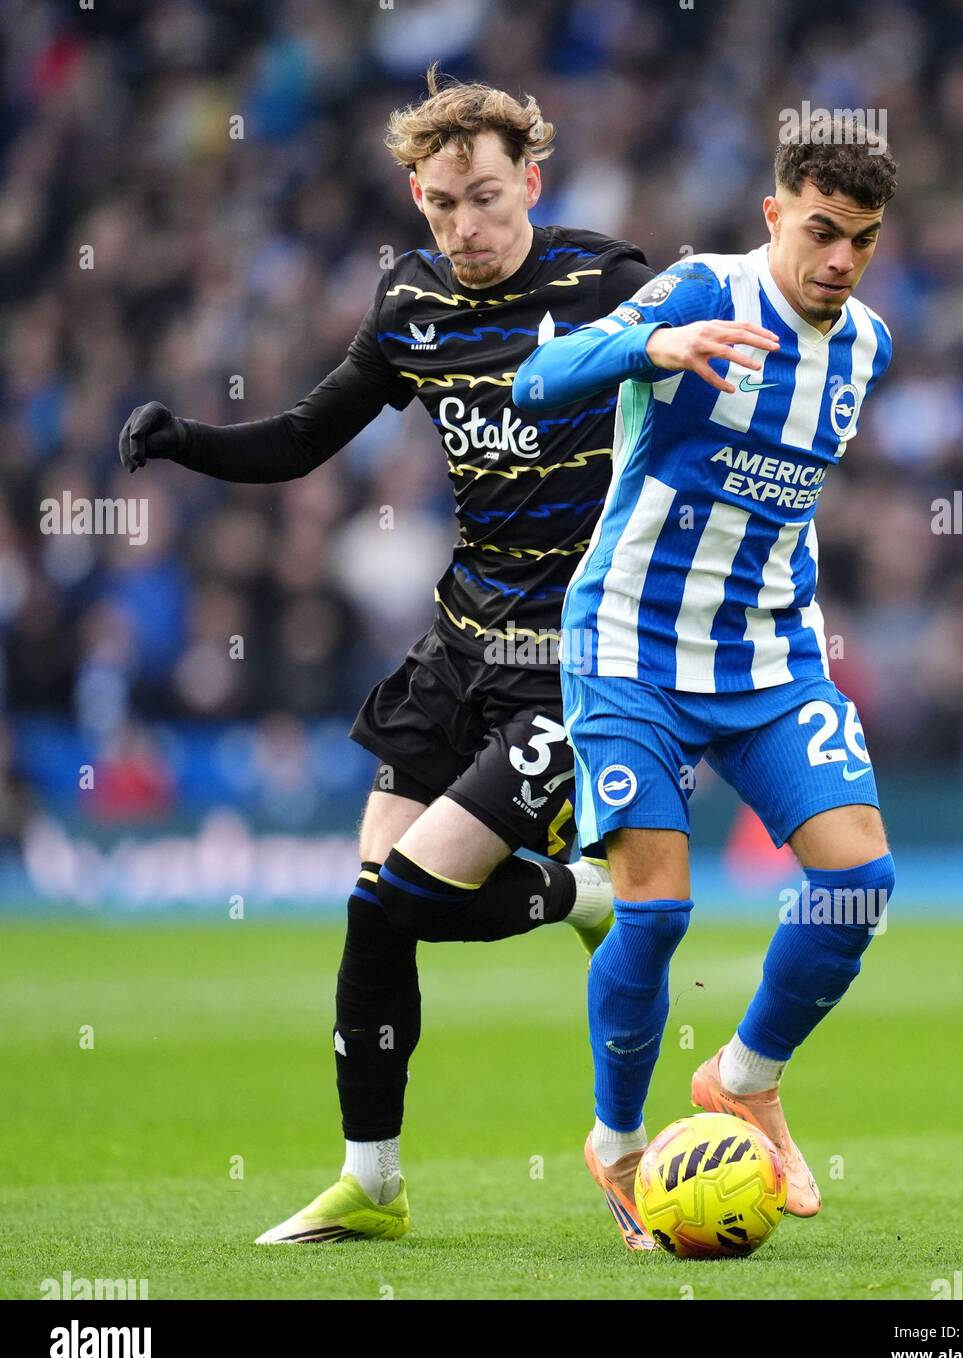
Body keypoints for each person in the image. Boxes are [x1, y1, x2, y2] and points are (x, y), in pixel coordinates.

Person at [118, 64, 653, 1243]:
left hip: (572, 664)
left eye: (486, 198)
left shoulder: (607, 282)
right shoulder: (409, 299)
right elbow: (307, 436)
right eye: (442, 202)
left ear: (532, 183)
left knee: (399, 902)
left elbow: (720, 362)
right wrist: (190, 438)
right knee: (376, 904)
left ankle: (575, 902)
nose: (465, 226)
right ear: (416, 196)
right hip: (453, 647)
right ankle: (375, 1179)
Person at [513, 121, 898, 1249]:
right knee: (656, 911)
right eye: (819, 232)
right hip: (629, 644)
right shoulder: (696, 290)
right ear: (773, 213)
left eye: (861, 241)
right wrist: (651, 351)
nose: (838, 260)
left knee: (856, 881)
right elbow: (539, 379)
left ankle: (742, 1077)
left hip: (770, 655)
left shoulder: (866, 345)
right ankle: (617, 1141)